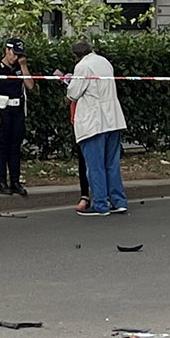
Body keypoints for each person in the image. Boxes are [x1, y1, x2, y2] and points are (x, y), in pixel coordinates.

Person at [66, 38, 127, 215]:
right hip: (113, 119)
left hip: (94, 122)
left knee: (95, 166)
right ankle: (118, 200)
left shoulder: (82, 67)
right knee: (112, 164)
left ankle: (100, 204)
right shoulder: (104, 62)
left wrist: (67, 84)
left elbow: (74, 93)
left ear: (76, 56)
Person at [0, 38, 31, 196]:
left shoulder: (19, 68)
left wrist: (24, 66)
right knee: (2, 147)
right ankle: (1, 181)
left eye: (19, 55)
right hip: (2, 109)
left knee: (15, 147)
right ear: (7, 50)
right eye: (14, 54)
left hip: (17, 110)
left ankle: (15, 181)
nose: (15, 58)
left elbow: (30, 85)